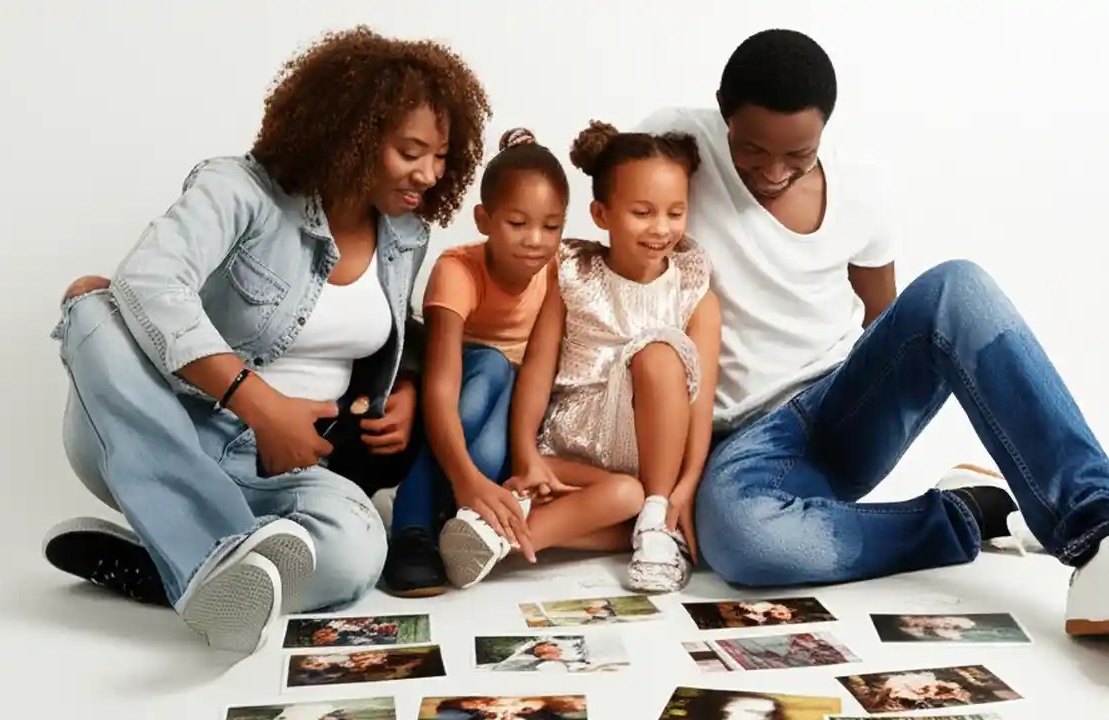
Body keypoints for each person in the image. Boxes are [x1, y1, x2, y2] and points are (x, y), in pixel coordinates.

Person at [635, 28, 1109, 637]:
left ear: (825, 130)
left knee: (958, 287)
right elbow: (609, 251)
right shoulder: (674, 139)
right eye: (753, 151)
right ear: (723, 112)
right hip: (740, 445)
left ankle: (1106, 540)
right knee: (742, 544)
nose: (772, 171)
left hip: (837, 406)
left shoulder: (863, 188)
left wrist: (884, 392)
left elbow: (886, 320)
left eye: (798, 155)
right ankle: (968, 514)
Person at [37, 26, 492, 653]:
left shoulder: (404, 232)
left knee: (360, 548)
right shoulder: (239, 191)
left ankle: (178, 563)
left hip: (278, 467)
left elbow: (390, 328)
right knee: (93, 305)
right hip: (160, 430)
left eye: (441, 157)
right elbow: (149, 283)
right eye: (412, 151)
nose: (430, 173)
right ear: (352, 132)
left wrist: (408, 384)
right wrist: (258, 403)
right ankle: (210, 553)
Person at [439, 120, 722, 593]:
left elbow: (701, 402)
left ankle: (504, 537)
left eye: (676, 213)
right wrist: (528, 454)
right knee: (624, 495)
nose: (661, 228)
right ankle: (632, 525)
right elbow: (537, 369)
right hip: (572, 454)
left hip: (653, 467)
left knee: (658, 354)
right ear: (601, 213)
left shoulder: (695, 293)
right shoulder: (571, 273)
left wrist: (686, 484)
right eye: (642, 212)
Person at [381, 128, 568, 597]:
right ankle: (412, 522)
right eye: (518, 223)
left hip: (517, 410)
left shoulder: (558, 270)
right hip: (460, 397)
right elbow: (442, 388)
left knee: (515, 379)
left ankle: (454, 525)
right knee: (490, 365)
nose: (535, 240)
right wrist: (465, 479)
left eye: (551, 226)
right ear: (484, 219)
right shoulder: (458, 270)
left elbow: (542, 369)